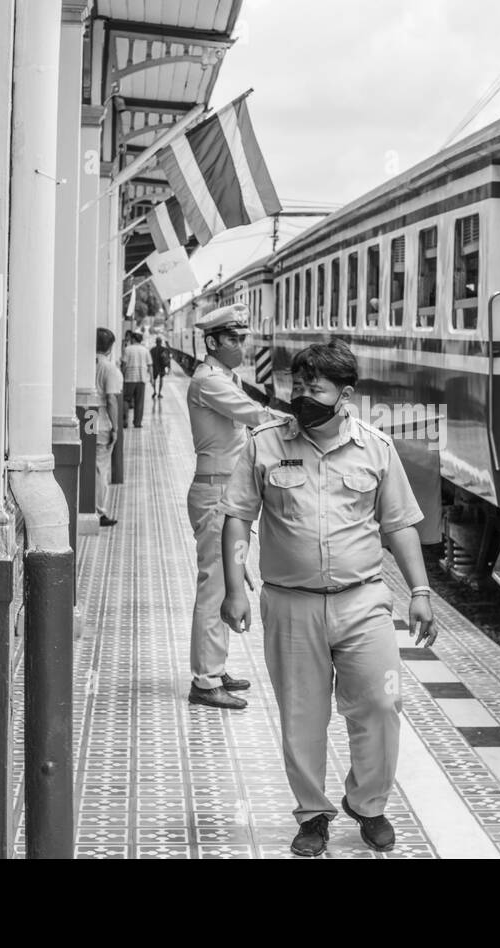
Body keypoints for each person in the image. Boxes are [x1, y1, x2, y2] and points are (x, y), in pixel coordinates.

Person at [219, 338, 437, 857]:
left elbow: (400, 525)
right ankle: (313, 814)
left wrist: (420, 591)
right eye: (298, 384)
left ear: (345, 394)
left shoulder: (376, 448)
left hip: (363, 601)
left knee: (381, 705)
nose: (302, 395)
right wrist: (233, 586)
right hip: (289, 603)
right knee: (302, 715)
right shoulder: (265, 443)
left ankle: (368, 804)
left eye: (314, 387)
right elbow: (238, 517)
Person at [184, 304, 283, 710]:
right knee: (216, 586)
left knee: (229, 581)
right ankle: (205, 681)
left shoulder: (225, 377)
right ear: (212, 342)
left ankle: (215, 666)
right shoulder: (208, 381)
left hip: (225, 490)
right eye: (233, 339)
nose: (242, 345)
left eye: (243, 338)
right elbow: (255, 415)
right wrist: (299, 422)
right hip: (215, 492)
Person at [94, 327, 123, 527]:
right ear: (111, 347)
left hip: (88, 418)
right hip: (103, 421)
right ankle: (99, 511)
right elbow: (112, 399)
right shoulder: (109, 368)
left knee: (91, 465)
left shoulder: (87, 364)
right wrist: (115, 427)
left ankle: (88, 505)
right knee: (100, 468)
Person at [120, 330, 150, 428]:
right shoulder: (145, 350)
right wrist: (152, 378)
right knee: (139, 401)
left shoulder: (128, 349)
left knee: (126, 399)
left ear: (133, 339)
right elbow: (150, 365)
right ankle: (137, 423)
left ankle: (124, 421)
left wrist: (122, 375)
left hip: (129, 378)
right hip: (141, 379)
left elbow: (124, 364)